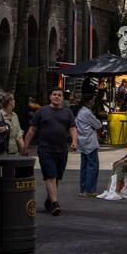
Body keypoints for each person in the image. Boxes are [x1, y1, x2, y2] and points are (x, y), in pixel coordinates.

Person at [21, 86, 77, 215]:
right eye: (54, 94)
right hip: (45, 149)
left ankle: (49, 200)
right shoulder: (42, 111)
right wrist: (25, 146)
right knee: (50, 176)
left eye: (59, 95)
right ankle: (55, 203)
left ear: (62, 98)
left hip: (62, 150)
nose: (57, 97)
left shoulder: (67, 112)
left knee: (56, 177)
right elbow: (32, 130)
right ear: (50, 97)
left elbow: (73, 128)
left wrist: (74, 141)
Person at [76, 90, 104, 196]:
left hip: (81, 141)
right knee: (93, 166)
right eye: (92, 101)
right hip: (89, 142)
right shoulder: (87, 112)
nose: (93, 103)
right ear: (88, 102)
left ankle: (83, 189)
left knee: (84, 166)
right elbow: (98, 125)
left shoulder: (79, 111)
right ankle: (89, 190)